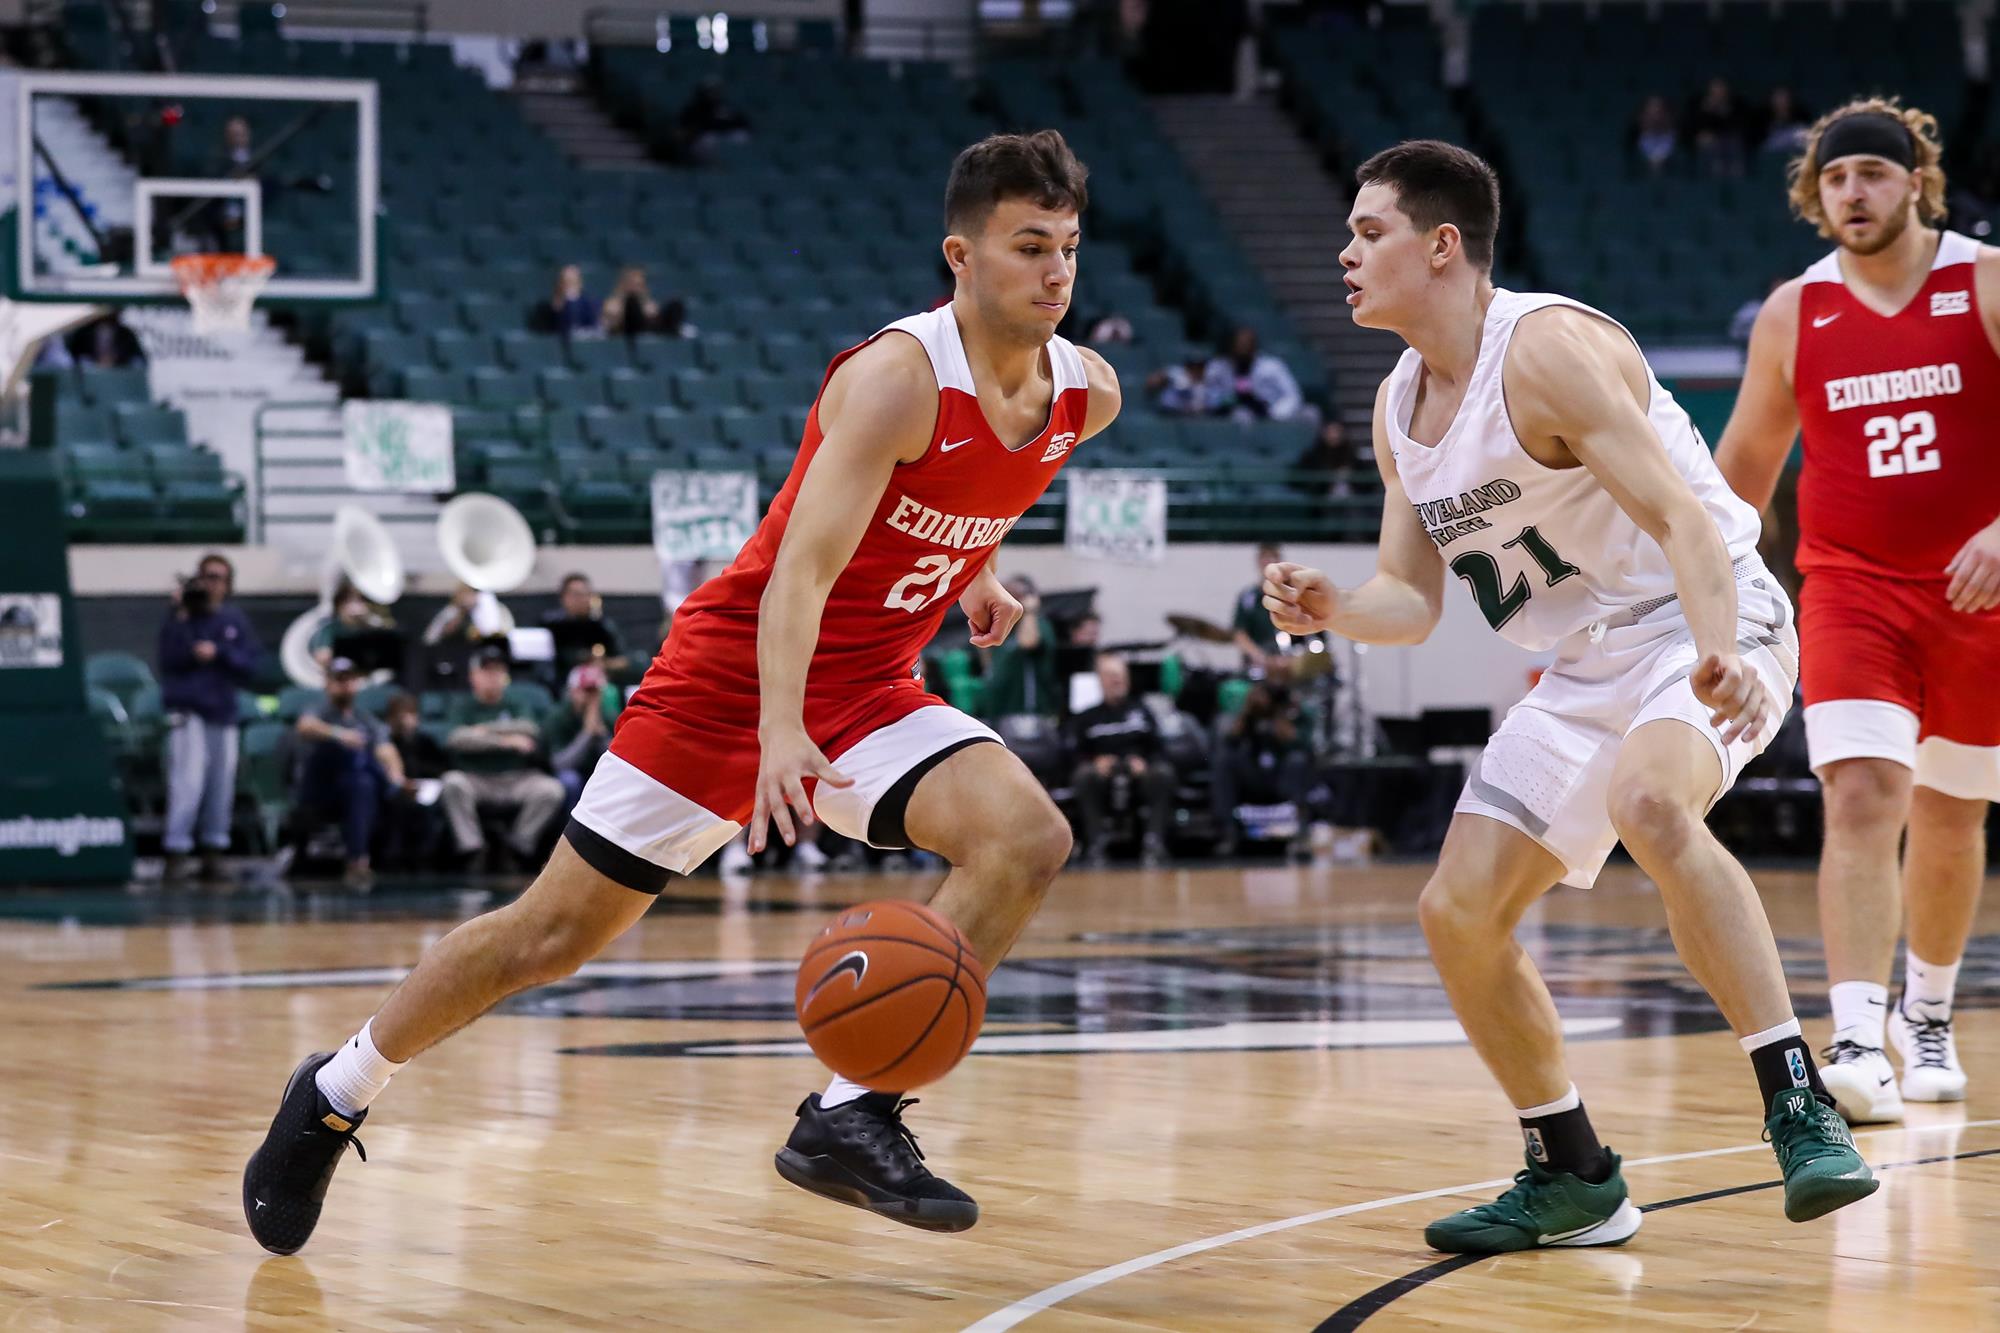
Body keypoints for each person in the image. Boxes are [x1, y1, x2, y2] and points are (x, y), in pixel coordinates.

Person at [244, 128, 1121, 1253]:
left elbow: (983, 483)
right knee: (548, 936)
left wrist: (976, 570)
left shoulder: (1082, 394)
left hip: (869, 687)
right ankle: (335, 1086)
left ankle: (851, 1113)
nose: (1055, 272)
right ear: (959, 256)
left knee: (1025, 837)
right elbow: (798, 570)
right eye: (1028, 247)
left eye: (1068, 249)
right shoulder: (894, 380)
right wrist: (779, 733)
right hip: (731, 677)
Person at [1262, 139, 1874, 1255]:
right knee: (1455, 913)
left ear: (1441, 245)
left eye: (1366, 232)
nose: (1343, 252)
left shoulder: (1542, 349)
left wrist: (1714, 652)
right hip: (1582, 664)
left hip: (1705, 613)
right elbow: (1410, 595)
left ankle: (1799, 1102)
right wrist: (1331, 605)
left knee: (1651, 803)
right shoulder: (1398, 408)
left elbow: (1687, 521)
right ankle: (1572, 1171)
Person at [1713, 99, 2000, 1125]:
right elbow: (1740, 472)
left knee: (1950, 811)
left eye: (1872, 174)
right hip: (1846, 586)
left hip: (1977, 595)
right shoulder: (1795, 310)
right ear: (1813, 194)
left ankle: (1923, 1014)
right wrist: (1697, 583)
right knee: (1863, 792)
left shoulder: (1984, 279)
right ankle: (1851, 1036)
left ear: (1913, 181)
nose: (1852, 192)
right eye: (1835, 179)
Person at [156, 554, 260, 881]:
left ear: (228, 585)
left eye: (220, 577)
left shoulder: (234, 621)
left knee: (221, 785)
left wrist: (220, 653)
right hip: (189, 712)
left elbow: (252, 665)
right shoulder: (181, 619)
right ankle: (176, 851)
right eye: (208, 576)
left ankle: (214, 851)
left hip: (222, 712)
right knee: (187, 783)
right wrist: (179, 616)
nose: (213, 583)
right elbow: (166, 659)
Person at [436, 649, 566, 872]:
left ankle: (517, 848)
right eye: (486, 671)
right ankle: (473, 849)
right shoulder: (463, 705)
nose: (492, 677)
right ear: (473, 676)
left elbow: (529, 730)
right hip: (476, 778)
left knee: (550, 789)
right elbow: (456, 739)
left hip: (517, 778)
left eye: (497, 671)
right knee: (452, 783)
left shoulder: (517, 702)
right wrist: (505, 741)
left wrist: (482, 731)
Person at [292, 657, 403, 891]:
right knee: (351, 758)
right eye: (339, 680)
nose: (344, 685)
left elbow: (386, 750)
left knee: (363, 779)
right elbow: (305, 726)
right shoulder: (319, 710)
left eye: (349, 680)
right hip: (320, 789)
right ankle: (386, 789)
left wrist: (397, 776)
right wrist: (338, 734)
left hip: (355, 789)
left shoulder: (364, 718)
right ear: (328, 683)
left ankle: (359, 862)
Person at [1067, 652, 1174, 866]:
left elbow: (1159, 748)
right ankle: (1096, 842)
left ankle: (1154, 842)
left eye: (1121, 675)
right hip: (1101, 777)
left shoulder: (1142, 711)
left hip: (1138, 775)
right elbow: (1072, 753)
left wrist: (1144, 763)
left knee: (1163, 773)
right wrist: (1095, 762)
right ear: (1100, 680)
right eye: (1111, 675)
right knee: (1083, 776)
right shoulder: (1086, 717)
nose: (1117, 680)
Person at [1210, 679, 1313, 858]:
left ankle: (1301, 835)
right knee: (1224, 761)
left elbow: (1302, 745)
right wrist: (1248, 710)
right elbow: (1230, 742)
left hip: (1281, 778)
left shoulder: (1295, 713)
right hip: (1253, 778)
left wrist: (1279, 714)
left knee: (1298, 761)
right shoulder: (1247, 716)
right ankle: (1228, 833)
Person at [380, 693, 448, 871]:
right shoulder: (387, 742)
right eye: (401, 715)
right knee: (397, 805)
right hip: (396, 789)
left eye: (410, 714)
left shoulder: (425, 741)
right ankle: (394, 857)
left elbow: (441, 767)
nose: (406, 720)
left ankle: (427, 856)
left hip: (425, 787)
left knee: (430, 807)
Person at [978, 574, 1060, 718]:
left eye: (1012, 594)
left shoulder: (1038, 624)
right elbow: (989, 662)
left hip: (1026, 715)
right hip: (996, 713)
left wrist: (1029, 611)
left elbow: (1028, 642)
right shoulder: (1002, 627)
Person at [543, 662, 618, 811]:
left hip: (595, 773)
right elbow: (560, 764)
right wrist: (587, 734)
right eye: (586, 691)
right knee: (570, 780)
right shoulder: (558, 717)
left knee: (615, 781)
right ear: (572, 691)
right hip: (564, 775)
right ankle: (568, 831)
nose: (591, 698)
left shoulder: (607, 715)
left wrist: (601, 735)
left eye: (595, 692)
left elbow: (618, 762)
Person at [1202, 326, 1304, 421]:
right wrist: (1224, 405)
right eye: (1240, 344)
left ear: (1254, 346)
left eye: (1247, 344)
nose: (1244, 348)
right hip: (1228, 421)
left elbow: (1293, 396)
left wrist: (1272, 414)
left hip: (1270, 417)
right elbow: (1209, 396)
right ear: (1231, 345)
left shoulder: (1272, 366)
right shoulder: (1217, 367)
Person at [541, 573, 630, 679]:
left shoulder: (602, 626)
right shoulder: (552, 626)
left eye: (587, 594)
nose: (583, 599)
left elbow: (624, 659)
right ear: (564, 597)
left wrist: (605, 664)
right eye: (577, 594)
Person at [1231, 542, 1284, 672]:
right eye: (1265, 558)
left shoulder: (1289, 595)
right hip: (1259, 661)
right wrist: (1258, 655)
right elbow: (1239, 633)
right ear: (1259, 562)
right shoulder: (1248, 597)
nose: (1269, 562)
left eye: (1273, 558)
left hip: (1285, 660)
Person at [536, 265, 598, 338]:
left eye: (572, 282)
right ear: (559, 284)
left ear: (580, 283)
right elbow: (545, 332)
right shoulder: (546, 308)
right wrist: (557, 310)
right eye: (565, 282)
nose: (569, 287)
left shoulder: (590, 305)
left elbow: (593, 328)